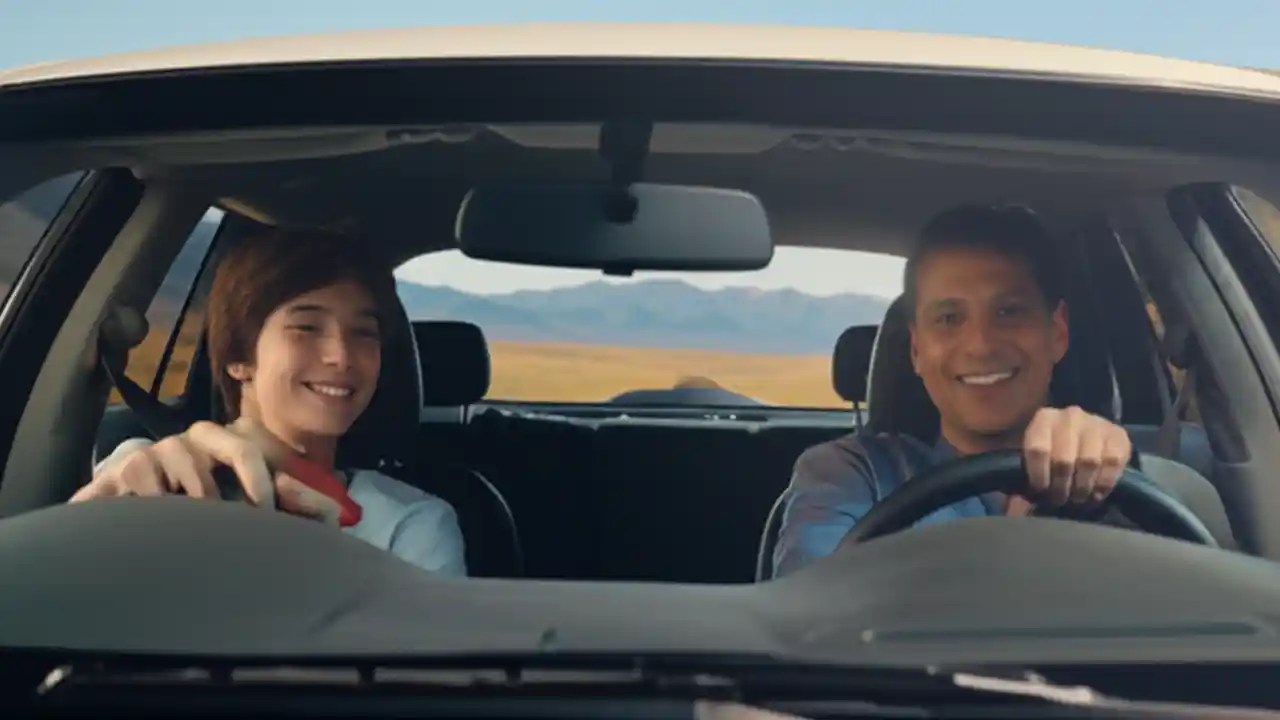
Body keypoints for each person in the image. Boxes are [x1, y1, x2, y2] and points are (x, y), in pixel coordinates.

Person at [72, 227, 467, 576]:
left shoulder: (410, 523)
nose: (342, 356)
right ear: (238, 359)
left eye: (364, 333)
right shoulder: (155, 472)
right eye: (306, 328)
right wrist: (88, 524)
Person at [772, 204, 1132, 577]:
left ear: (1057, 333)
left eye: (1008, 312)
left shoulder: (1120, 476)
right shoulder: (855, 476)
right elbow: (808, 618)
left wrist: (1112, 476)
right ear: (917, 351)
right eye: (948, 319)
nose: (980, 344)